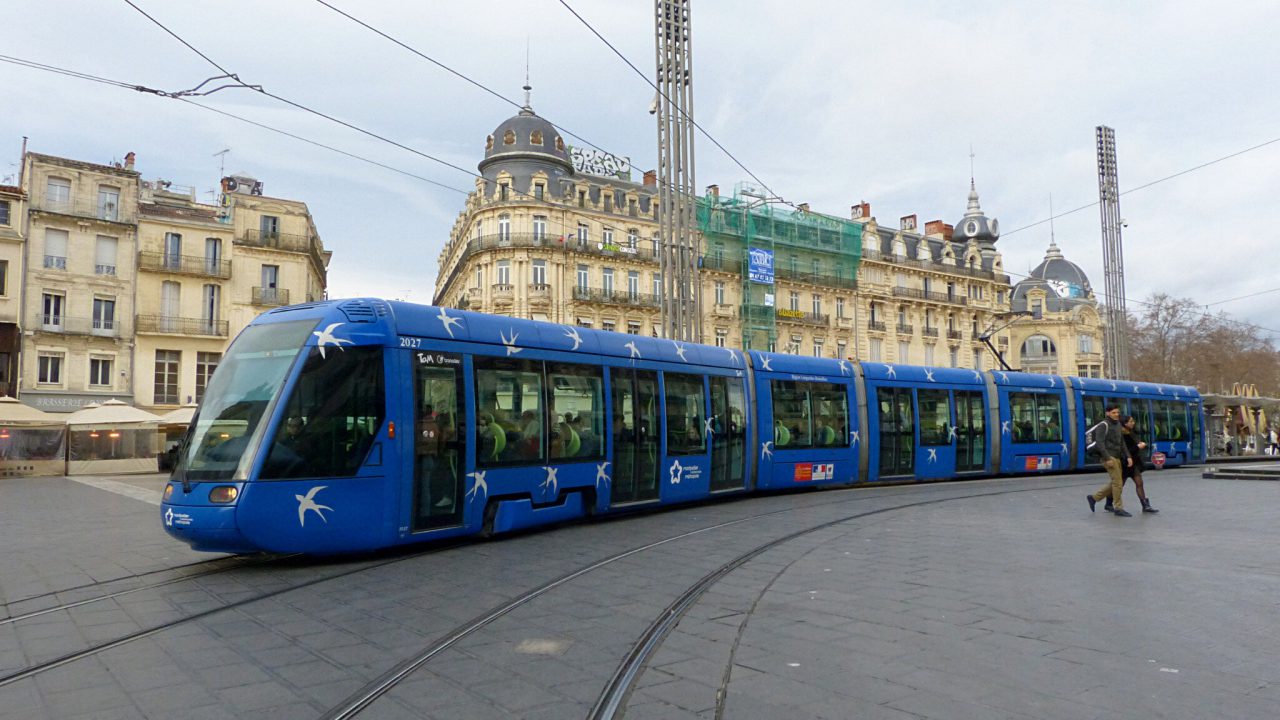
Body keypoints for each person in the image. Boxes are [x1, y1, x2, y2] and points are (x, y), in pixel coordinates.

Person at [1087, 404, 1133, 517]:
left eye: (1118, 412)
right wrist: (1107, 458)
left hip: (1117, 456)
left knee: (1116, 482)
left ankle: (1094, 498)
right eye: (1114, 412)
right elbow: (1100, 443)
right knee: (1118, 483)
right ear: (1107, 413)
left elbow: (1122, 443)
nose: (1116, 415)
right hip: (1109, 456)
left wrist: (1128, 456)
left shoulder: (1118, 425)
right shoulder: (1103, 425)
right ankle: (1118, 508)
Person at [1120, 415, 1158, 513]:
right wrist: (1138, 447)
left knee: (1139, 483)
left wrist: (1141, 445)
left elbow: (1135, 446)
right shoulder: (1122, 435)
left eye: (1133, 421)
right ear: (1125, 423)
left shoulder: (1132, 432)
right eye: (1131, 421)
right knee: (1120, 485)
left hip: (1134, 463)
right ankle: (1108, 501)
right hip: (1125, 462)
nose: (1133, 423)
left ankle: (1145, 505)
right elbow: (1126, 450)